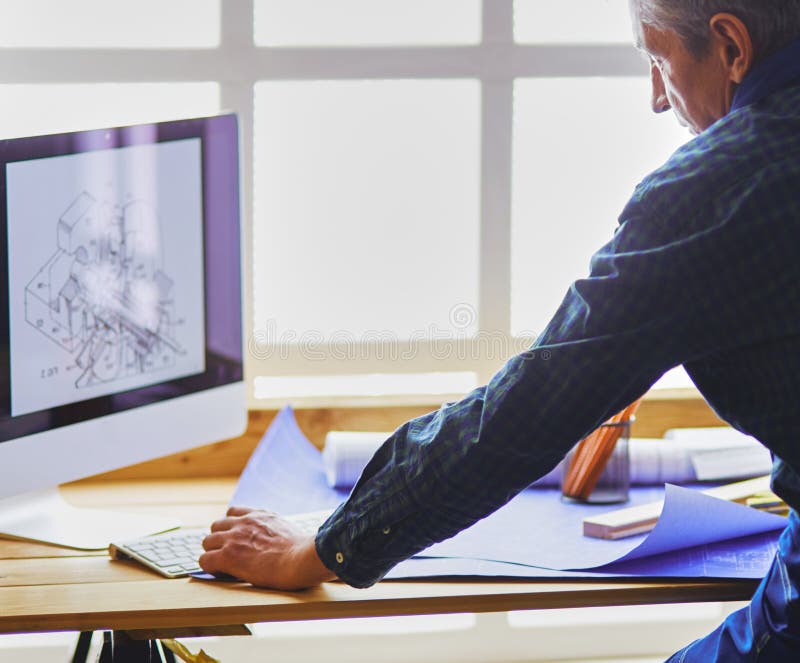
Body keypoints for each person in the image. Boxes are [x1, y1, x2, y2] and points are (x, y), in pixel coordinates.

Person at [199, 0, 800, 658]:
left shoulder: (717, 189)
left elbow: (523, 412)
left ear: (732, 49)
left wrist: (322, 547)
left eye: (660, 62)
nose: (658, 98)